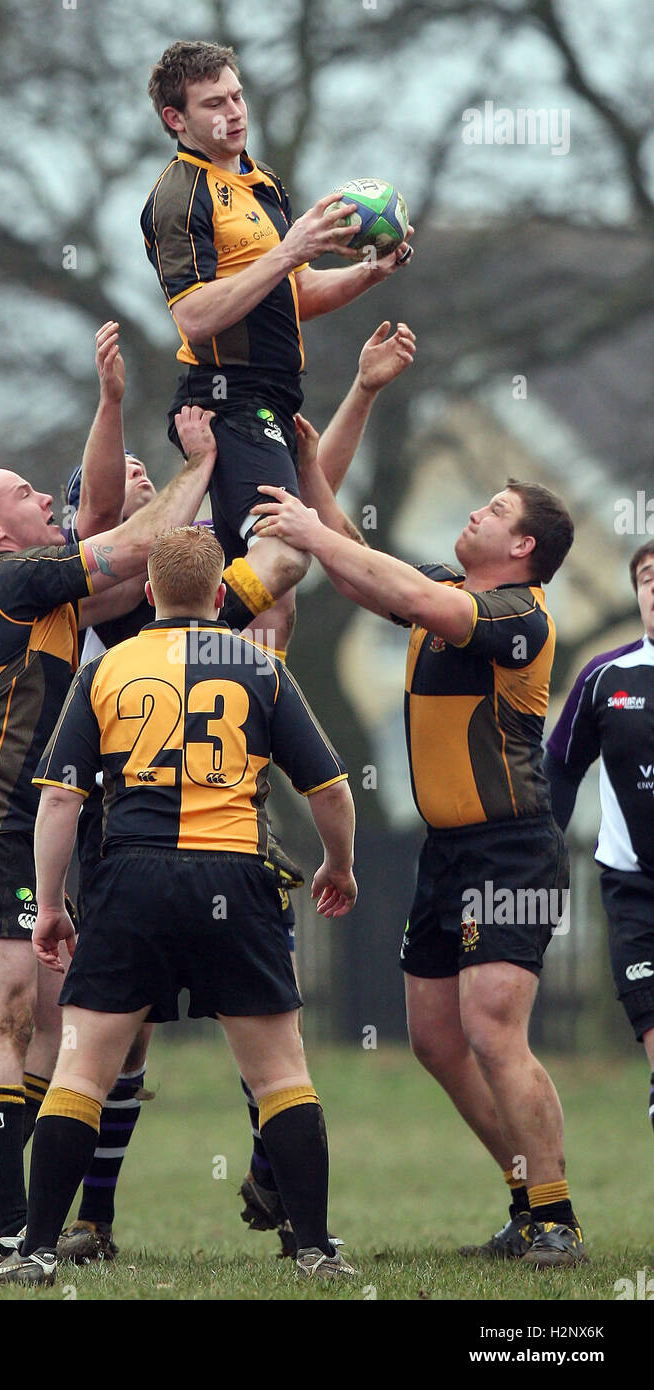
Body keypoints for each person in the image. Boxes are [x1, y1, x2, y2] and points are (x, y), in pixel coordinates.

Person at [54, 319, 416, 1263]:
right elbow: (283, 542)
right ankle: (99, 1215)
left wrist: (351, 400)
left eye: (154, 476)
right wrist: (164, 435)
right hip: (176, 836)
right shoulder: (101, 599)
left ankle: (84, 1221)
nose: (150, 483)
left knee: (115, 1049)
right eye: (138, 484)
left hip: (163, 847)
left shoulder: (173, 599)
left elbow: (281, 511)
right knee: (138, 1047)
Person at [0, 525, 358, 1287]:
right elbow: (331, 790)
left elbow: (59, 801)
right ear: (221, 596)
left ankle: (38, 1253)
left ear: (148, 593)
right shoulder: (259, 666)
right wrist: (338, 866)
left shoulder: (110, 666)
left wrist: (50, 905)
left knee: (82, 1072)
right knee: (282, 1073)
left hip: (132, 880)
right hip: (236, 878)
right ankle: (314, 1248)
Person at [253, 467, 586, 1267]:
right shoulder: (444, 591)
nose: (476, 511)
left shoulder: (517, 616)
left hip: (513, 850)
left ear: (523, 545)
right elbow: (361, 568)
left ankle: (558, 1220)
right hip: (448, 854)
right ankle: (524, 1199)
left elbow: (411, 594)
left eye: (495, 510)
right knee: (436, 1040)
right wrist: (344, 420)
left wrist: (309, 529)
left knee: (492, 1027)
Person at [0, 406, 219, 1262]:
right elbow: (128, 551)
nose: (41, 496)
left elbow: (137, 582)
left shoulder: (40, 598)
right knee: (8, 1019)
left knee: (61, 1026)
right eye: (23, 491)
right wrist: (196, 468)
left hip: (16, 829)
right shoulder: (6, 579)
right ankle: (17, 1230)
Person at [141, 39, 414, 657]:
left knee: (276, 610)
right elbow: (194, 317)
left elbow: (295, 295)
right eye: (214, 104)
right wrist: (290, 249)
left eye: (237, 96)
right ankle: (164, 650)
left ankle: (245, 721)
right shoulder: (178, 195)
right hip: (229, 399)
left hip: (271, 396)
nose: (234, 112)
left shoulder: (264, 183)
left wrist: (372, 272)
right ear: (175, 119)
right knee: (289, 552)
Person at [544, 539, 654, 1147]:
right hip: (633, 885)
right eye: (645, 577)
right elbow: (561, 767)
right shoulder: (605, 677)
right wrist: (546, 851)